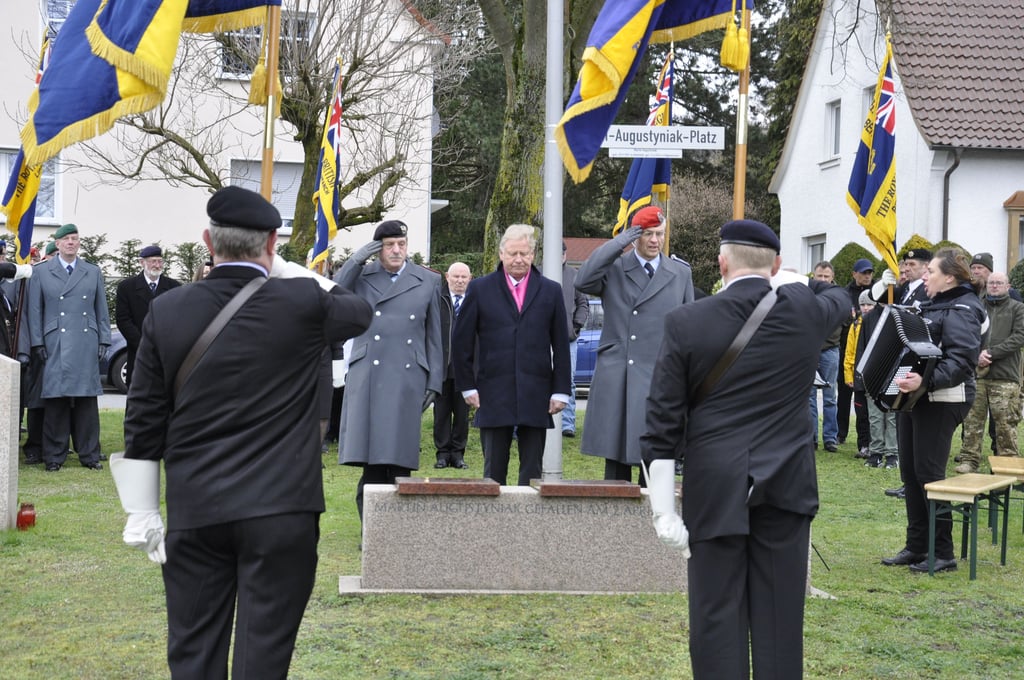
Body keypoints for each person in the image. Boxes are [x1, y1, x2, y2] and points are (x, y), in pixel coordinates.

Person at [113, 185, 372, 679]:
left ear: (208, 242)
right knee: (263, 657)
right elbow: (357, 311)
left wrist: (141, 508)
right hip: (282, 507)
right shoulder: (301, 300)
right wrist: (286, 268)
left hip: (197, 506)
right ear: (272, 242)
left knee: (194, 654)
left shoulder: (167, 310)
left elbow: (143, 417)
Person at [641, 219, 848, 679]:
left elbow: (661, 424)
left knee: (716, 618)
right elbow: (840, 298)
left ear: (721, 263)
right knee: (780, 623)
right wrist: (796, 282)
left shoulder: (685, 321)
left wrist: (662, 510)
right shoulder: (805, 311)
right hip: (786, 485)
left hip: (716, 485)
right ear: (774, 265)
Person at [881, 247, 985, 573]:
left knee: (929, 474)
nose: (925, 277)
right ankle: (916, 546)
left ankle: (942, 552)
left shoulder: (965, 308)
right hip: (917, 397)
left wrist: (924, 383)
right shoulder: (928, 303)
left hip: (945, 398)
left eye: (931, 273)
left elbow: (961, 363)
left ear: (949, 277)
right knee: (910, 473)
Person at [575, 206, 694, 483]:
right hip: (620, 373)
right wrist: (619, 242)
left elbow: (688, 326)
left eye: (660, 234)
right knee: (616, 462)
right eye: (648, 234)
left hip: (660, 373)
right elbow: (583, 279)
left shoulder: (679, 272)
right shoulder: (615, 267)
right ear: (635, 236)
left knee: (656, 458)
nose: (655, 240)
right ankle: (615, 523)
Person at [334, 220, 444, 519]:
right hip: (370, 371)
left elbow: (434, 334)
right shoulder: (362, 276)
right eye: (389, 245)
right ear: (377, 249)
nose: (396, 250)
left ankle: (398, 529)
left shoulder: (428, 280)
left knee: (399, 458)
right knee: (371, 460)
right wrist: (357, 259)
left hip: (407, 374)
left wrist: (435, 379)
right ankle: (371, 528)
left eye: (401, 244)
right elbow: (334, 293)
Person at [452, 224, 571, 486]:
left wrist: (561, 390)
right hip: (492, 392)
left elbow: (561, 344)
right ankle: (494, 525)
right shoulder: (480, 289)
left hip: (536, 393)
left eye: (525, 253)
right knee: (493, 471)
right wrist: (466, 386)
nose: (519, 259)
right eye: (513, 253)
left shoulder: (550, 290)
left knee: (532, 472)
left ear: (533, 255)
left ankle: (528, 525)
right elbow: (461, 343)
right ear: (501, 254)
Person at [26, 223, 110, 472]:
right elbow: (34, 311)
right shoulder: (42, 272)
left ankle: (89, 454)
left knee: (86, 402)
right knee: (56, 402)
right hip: (55, 341)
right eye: (67, 239)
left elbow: (101, 309)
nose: (72, 242)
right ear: (58, 243)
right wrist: (37, 342)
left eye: (75, 239)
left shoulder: (92, 271)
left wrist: (104, 338)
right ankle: (54, 456)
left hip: (85, 339)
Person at [955, 271, 1024, 473]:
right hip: (977, 375)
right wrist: (977, 354)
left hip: (1005, 377)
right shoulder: (978, 307)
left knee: (1005, 425)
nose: (994, 286)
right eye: (991, 283)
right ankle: (969, 461)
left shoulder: (1018, 309)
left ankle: (1008, 466)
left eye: (999, 283)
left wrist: (990, 354)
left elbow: (1019, 337)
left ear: (1008, 286)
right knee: (972, 422)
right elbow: (966, 333)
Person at [115, 245, 182, 388]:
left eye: (160, 261)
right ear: (142, 262)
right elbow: (123, 320)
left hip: (165, 353)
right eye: (153, 261)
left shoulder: (174, 286)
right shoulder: (127, 287)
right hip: (138, 352)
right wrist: (143, 344)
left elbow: (178, 319)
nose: (157, 265)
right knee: (137, 397)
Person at [850, 290, 898, 469]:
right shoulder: (870, 318)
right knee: (875, 416)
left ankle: (892, 453)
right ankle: (876, 451)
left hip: (894, 373)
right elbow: (861, 348)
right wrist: (860, 376)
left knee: (892, 416)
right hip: (873, 374)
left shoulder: (898, 313)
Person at [433, 261, 472, 469]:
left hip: (465, 368)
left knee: (462, 415)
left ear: (470, 279)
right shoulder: (437, 299)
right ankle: (442, 453)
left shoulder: (474, 300)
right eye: (456, 276)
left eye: (463, 277)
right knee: (441, 414)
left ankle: (458, 454)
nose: (459, 281)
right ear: (447, 277)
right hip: (441, 366)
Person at [838, 258, 874, 454]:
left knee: (866, 401)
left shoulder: (877, 291)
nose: (867, 276)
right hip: (847, 348)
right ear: (854, 274)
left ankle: (868, 440)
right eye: (863, 272)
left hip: (868, 354)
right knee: (844, 395)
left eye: (869, 272)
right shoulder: (845, 294)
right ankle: (841, 432)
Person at [809, 261, 843, 452]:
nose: (822, 280)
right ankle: (812, 437)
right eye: (819, 276)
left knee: (830, 397)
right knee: (809, 396)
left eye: (826, 276)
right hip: (809, 350)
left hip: (830, 351)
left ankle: (830, 438)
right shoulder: (807, 296)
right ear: (814, 277)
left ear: (832, 277)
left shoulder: (838, 297)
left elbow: (846, 322)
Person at [561, 242, 589, 438]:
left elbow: (583, 303)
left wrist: (576, 326)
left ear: (565, 254)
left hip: (567, 339)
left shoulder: (574, 275)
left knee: (568, 381)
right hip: (539, 340)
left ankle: (567, 424)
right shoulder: (536, 272)